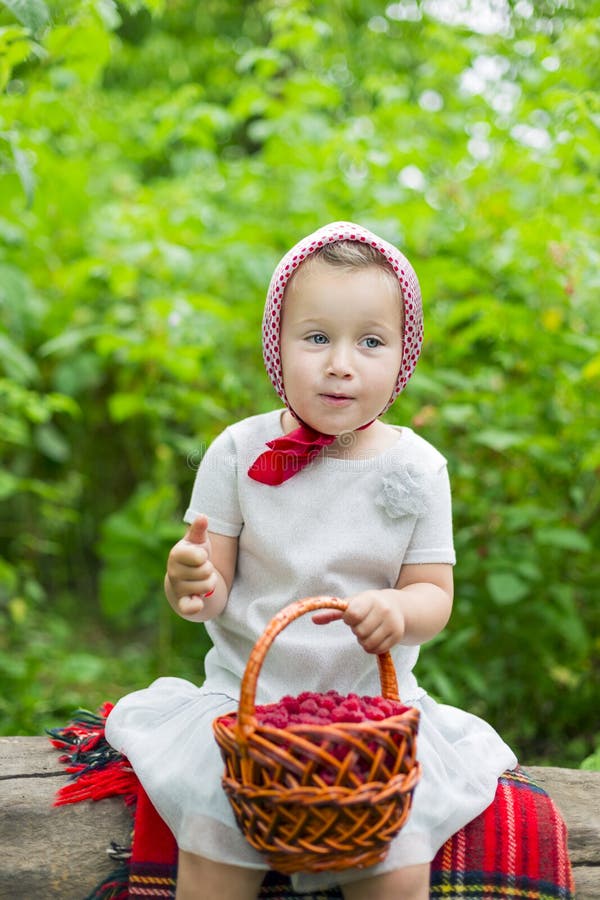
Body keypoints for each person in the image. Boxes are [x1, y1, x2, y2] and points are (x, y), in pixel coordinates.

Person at [106, 221, 517, 900]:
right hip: (246, 706)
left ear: (404, 355)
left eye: (371, 342)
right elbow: (208, 594)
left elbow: (433, 595)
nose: (341, 364)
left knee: (395, 849)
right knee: (216, 833)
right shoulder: (236, 452)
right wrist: (192, 579)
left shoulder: (418, 467)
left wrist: (399, 609)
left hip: (373, 713)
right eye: (317, 337)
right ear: (278, 342)